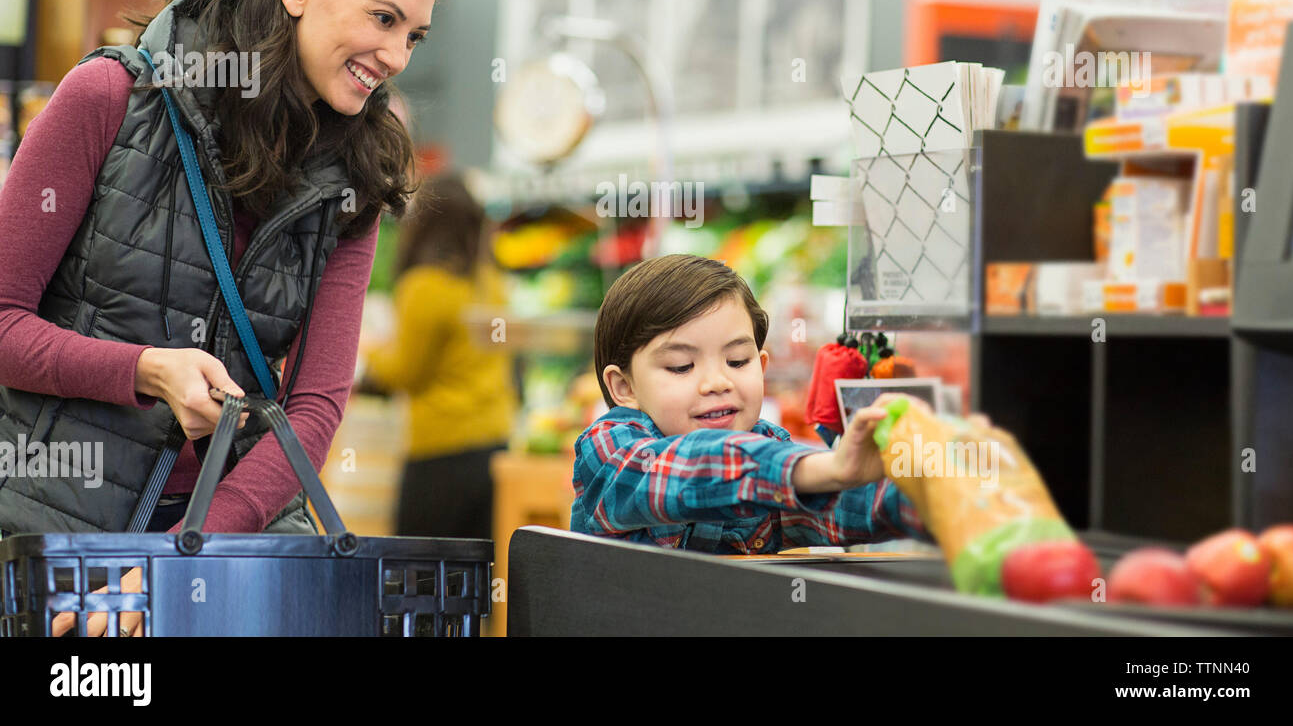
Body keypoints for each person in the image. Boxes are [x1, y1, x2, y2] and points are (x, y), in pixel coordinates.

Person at [0, 0, 441, 634]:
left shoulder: (354, 184)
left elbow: (314, 408)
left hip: (211, 564)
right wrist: (144, 368)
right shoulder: (108, 99)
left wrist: (186, 559)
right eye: (383, 18)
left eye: (414, 36)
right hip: (53, 539)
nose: (395, 54)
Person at [571, 253, 935, 553]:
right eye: (681, 366)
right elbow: (692, 467)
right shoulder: (609, 452)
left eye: (737, 361)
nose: (718, 382)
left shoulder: (770, 448)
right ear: (624, 386)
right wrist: (826, 468)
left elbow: (849, 506)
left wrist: (942, 488)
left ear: (761, 367)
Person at [360, 172, 517, 540]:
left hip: (440, 452)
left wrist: (371, 351)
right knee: (475, 574)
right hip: (495, 442)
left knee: (421, 576)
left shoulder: (424, 286)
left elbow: (405, 372)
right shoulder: (491, 282)